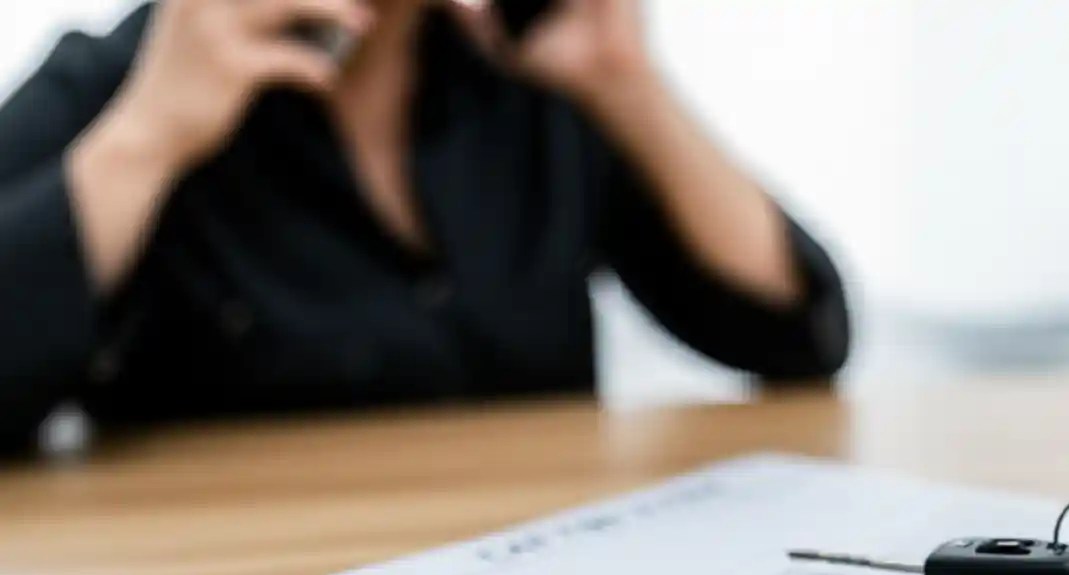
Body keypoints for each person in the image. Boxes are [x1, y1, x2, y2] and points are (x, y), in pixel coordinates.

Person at [0, 0, 851, 450]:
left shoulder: (531, 76)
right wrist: (147, 137)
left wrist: (628, 85)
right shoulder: (122, 77)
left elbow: (795, 333)